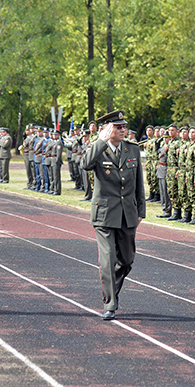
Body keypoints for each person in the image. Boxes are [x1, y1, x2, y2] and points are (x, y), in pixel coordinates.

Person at [81, 110, 146, 320]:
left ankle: (113, 290)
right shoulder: (98, 149)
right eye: (117, 127)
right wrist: (100, 140)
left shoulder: (132, 150)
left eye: (124, 127)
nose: (122, 130)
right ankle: (110, 302)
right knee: (108, 259)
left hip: (127, 213)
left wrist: (140, 211)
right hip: (105, 214)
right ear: (107, 129)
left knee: (126, 260)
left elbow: (138, 184)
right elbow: (85, 164)